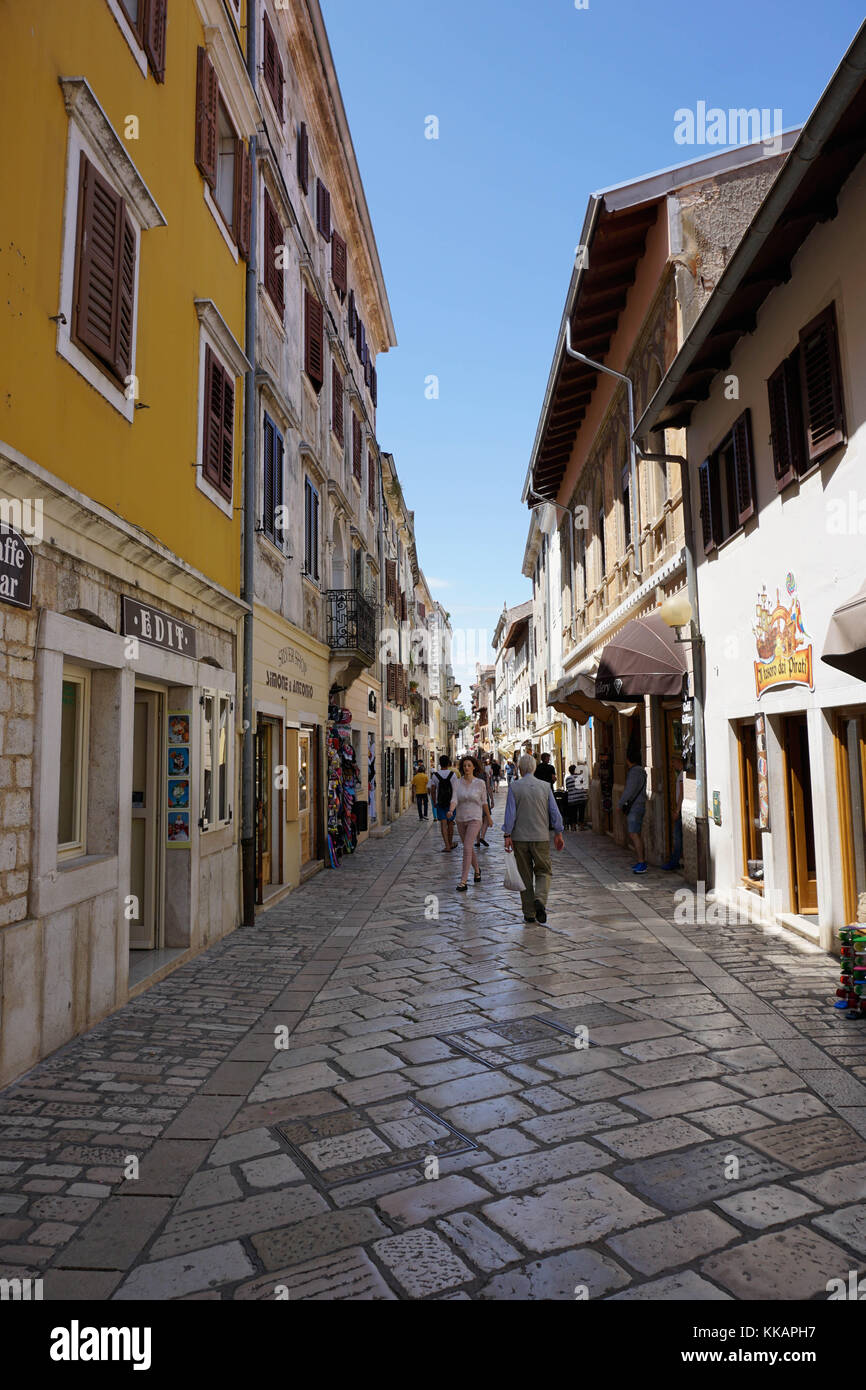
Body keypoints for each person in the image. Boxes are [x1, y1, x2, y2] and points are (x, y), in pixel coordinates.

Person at [503, 753, 564, 923]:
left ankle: (529, 913)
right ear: (534, 768)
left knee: (525, 874)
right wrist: (558, 833)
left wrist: (507, 834)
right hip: (541, 836)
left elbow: (510, 814)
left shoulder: (514, 787)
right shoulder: (545, 787)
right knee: (544, 870)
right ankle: (540, 900)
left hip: (520, 838)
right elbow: (554, 812)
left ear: (520, 769)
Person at [453, 755, 492, 891]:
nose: (466, 768)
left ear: (474, 767)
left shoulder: (480, 783)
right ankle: (477, 870)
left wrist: (489, 817)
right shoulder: (457, 782)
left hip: (475, 818)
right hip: (460, 819)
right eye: (464, 766)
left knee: (467, 846)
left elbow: (484, 802)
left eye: (469, 765)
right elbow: (454, 800)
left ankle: (463, 881)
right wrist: (450, 810)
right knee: (468, 847)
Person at [619, 750, 648, 873]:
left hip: (635, 806)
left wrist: (620, 804)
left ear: (628, 760)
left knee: (634, 833)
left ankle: (641, 862)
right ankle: (641, 861)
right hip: (639, 804)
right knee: (636, 833)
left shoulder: (634, 772)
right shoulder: (641, 771)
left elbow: (629, 790)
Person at [429, 755, 457, 852]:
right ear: (448, 763)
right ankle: (450, 842)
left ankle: (447, 846)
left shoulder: (435, 775)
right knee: (450, 824)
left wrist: (434, 801)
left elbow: (433, 790)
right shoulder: (453, 775)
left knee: (443, 824)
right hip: (451, 803)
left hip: (440, 802)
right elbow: (455, 789)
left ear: (440, 763)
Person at [663, 755, 684, 870]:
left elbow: (681, 793)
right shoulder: (681, 774)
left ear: (677, 761)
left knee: (677, 837)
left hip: (680, 810)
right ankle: (676, 860)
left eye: (673, 762)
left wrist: (677, 810)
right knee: (678, 836)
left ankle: (674, 861)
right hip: (679, 809)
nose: (672, 765)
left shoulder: (682, 775)